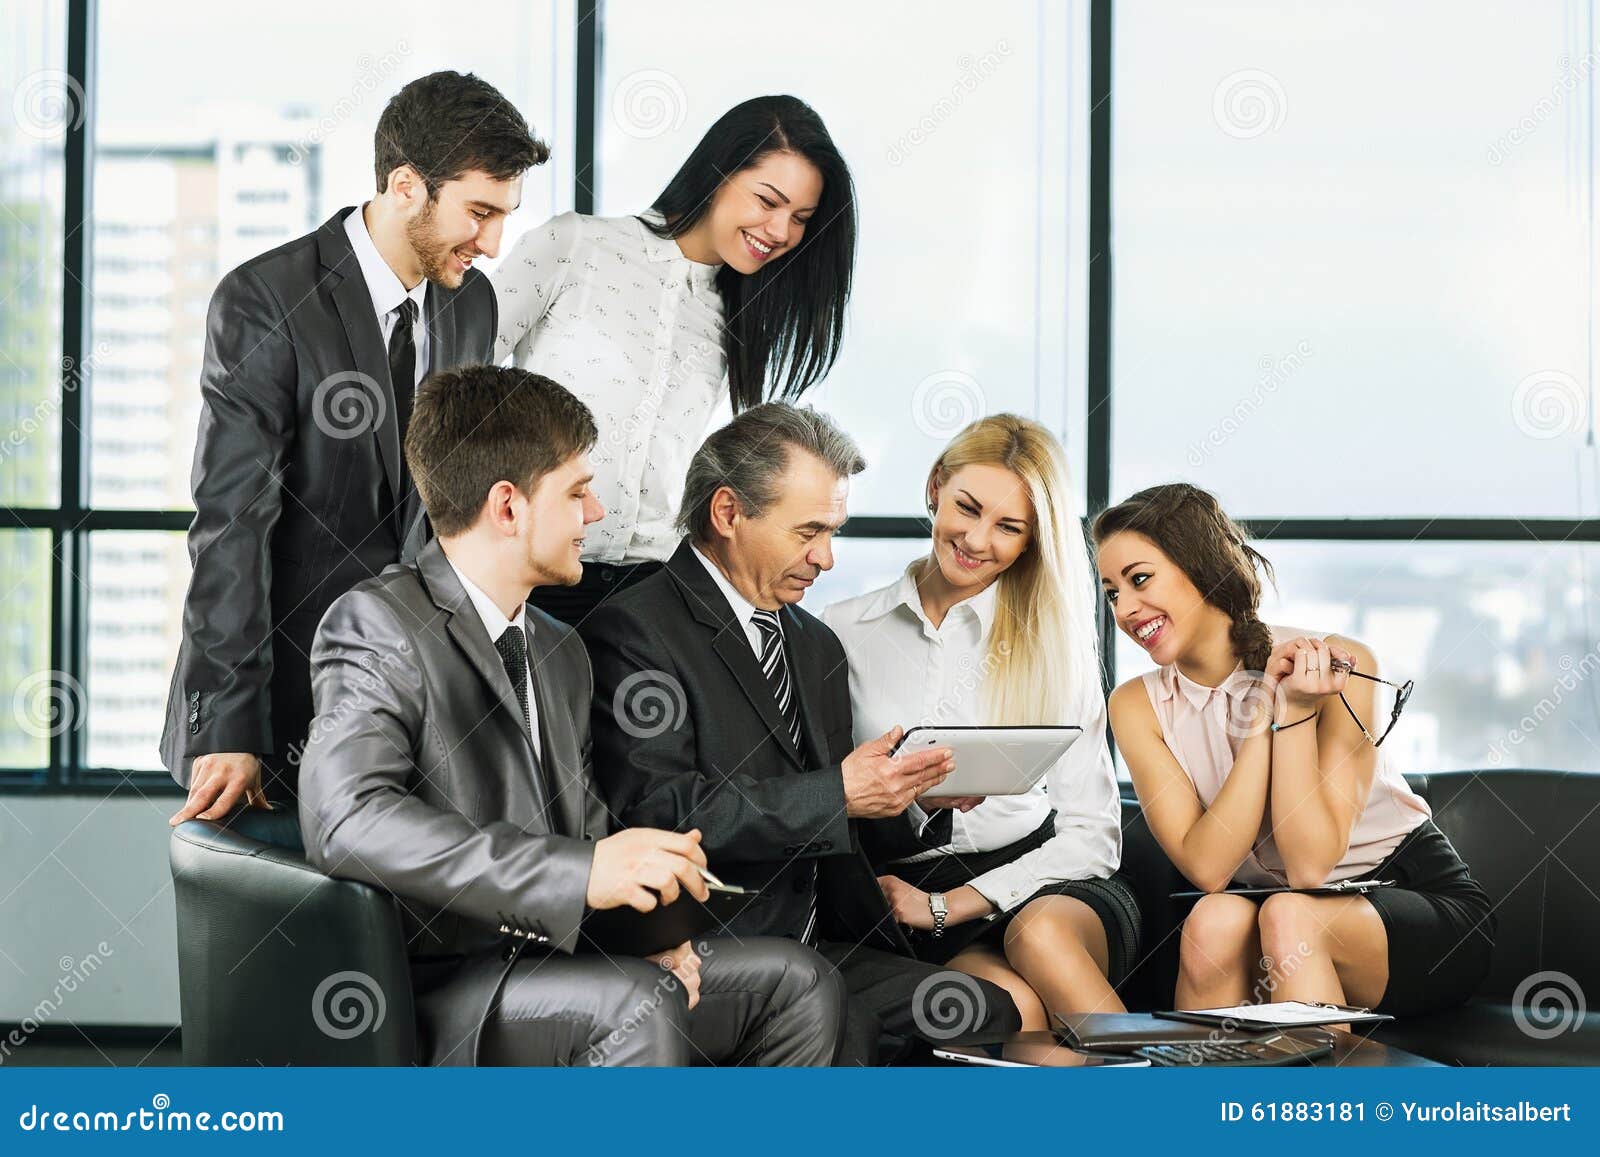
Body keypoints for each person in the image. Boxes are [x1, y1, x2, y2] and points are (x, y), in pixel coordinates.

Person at [297, 365, 845, 1067]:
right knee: (630, 1005)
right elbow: (346, 820)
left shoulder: (560, 650)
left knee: (799, 984)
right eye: (578, 492)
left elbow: (584, 834)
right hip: (443, 984)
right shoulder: (378, 623)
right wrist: (577, 874)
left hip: (558, 965)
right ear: (508, 507)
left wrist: (642, 937)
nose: (596, 513)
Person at [582, 402, 1023, 1064]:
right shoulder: (637, 630)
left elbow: (838, 808)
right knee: (836, 1014)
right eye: (808, 531)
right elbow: (659, 813)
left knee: (981, 1006)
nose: (826, 556)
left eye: (834, 530)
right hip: (716, 947)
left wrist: (909, 799)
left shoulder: (814, 645)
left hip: (821, 936)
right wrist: (839, 792)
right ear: (727, 513)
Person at [163, 71, 546, 823]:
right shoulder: (266, 299)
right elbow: (232, 529)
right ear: (406, 185)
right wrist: (235, 727)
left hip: (414, 707)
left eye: (506, 215)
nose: (494, 244)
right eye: (479, 212)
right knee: (276, 935)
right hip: (278, 710)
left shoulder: (472, 302)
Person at [1094, 483, 1494, 1017]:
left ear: (1199, 563)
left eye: (1140, 579)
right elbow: (1209, 869)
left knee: (1291, 915)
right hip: (1273, 909)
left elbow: (1308, 867)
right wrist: (1265, 714)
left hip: (1412, 899)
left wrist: (1299, 712)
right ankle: (1191, 1098)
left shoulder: (1340, 663)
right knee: (1213, 919)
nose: (1125, 608)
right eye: (1112, 592)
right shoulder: (1136, 705)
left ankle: (1317, 1102)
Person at [823, 415, 1138, 1030]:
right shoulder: (843, 630)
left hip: (1047, 880)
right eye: (967, 508)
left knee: (1041, 937)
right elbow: (828, 796)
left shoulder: (1056, 647)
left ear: (1031, 542)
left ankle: (1157, 1106)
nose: (976, 539)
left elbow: (1093, 836)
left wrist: (945, 906)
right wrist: (911, 802)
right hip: (903, 894)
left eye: (1008, 527)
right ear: (935, 487)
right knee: (1013, 1013)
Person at [493, 95, 857, 626]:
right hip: (531, 574)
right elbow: (451, 388)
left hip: (650, 591)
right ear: (719, 173)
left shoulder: (737, 313)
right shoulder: (576, 246)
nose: (780, 232)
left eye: (800, 218)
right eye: (767, 200)